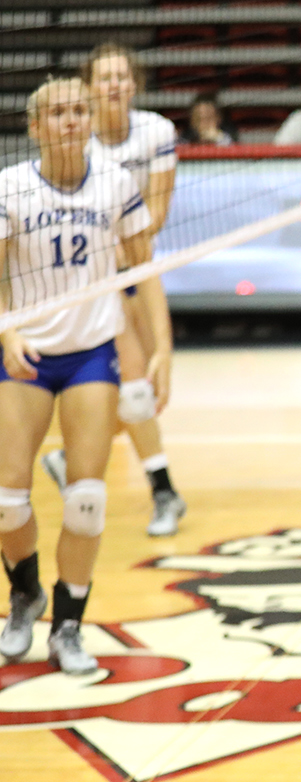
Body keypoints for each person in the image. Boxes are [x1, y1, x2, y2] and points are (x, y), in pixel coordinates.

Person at [2, 77, 172, 673]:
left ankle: (68, 628)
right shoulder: (10, 187)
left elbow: (145, 266)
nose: (72, 120)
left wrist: (162, 349)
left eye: (80, 110)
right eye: (59, 112)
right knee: (6, 502)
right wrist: (8, 330)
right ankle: (25, 595)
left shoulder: (116, 183)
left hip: (91, 355)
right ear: (36, 126)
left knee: (87, 500)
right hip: (26, 357)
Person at [43, 42, 187, 538]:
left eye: (123, 76)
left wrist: (128, 254)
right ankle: (165, 491)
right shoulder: (80, 138)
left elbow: (157, 213)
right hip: (97, 279)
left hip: (133, 270)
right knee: (136, 394)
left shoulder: (156, 131)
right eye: (105, 78)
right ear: (89, 86)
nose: (115, 86)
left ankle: (69, 456)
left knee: (139, 396)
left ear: (135, 84)